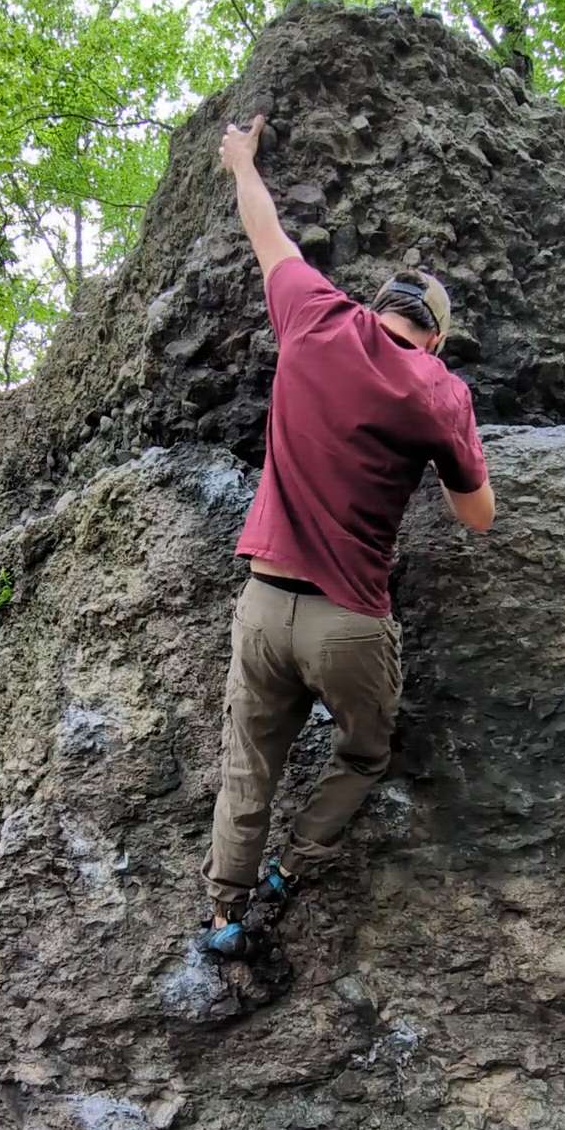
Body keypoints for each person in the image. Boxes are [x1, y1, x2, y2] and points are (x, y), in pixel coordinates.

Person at [199, 113, 495, 957]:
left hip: (262, 604)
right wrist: (440, 447)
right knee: (365, 751)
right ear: (433, 336)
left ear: (376, 308)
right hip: (349, 620)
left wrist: (239, 160)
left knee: (247, 765)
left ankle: (224, 917)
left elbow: (267, 228)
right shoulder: (439, 390)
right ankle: (295, 865)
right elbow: (478, 516)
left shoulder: (314, 316)